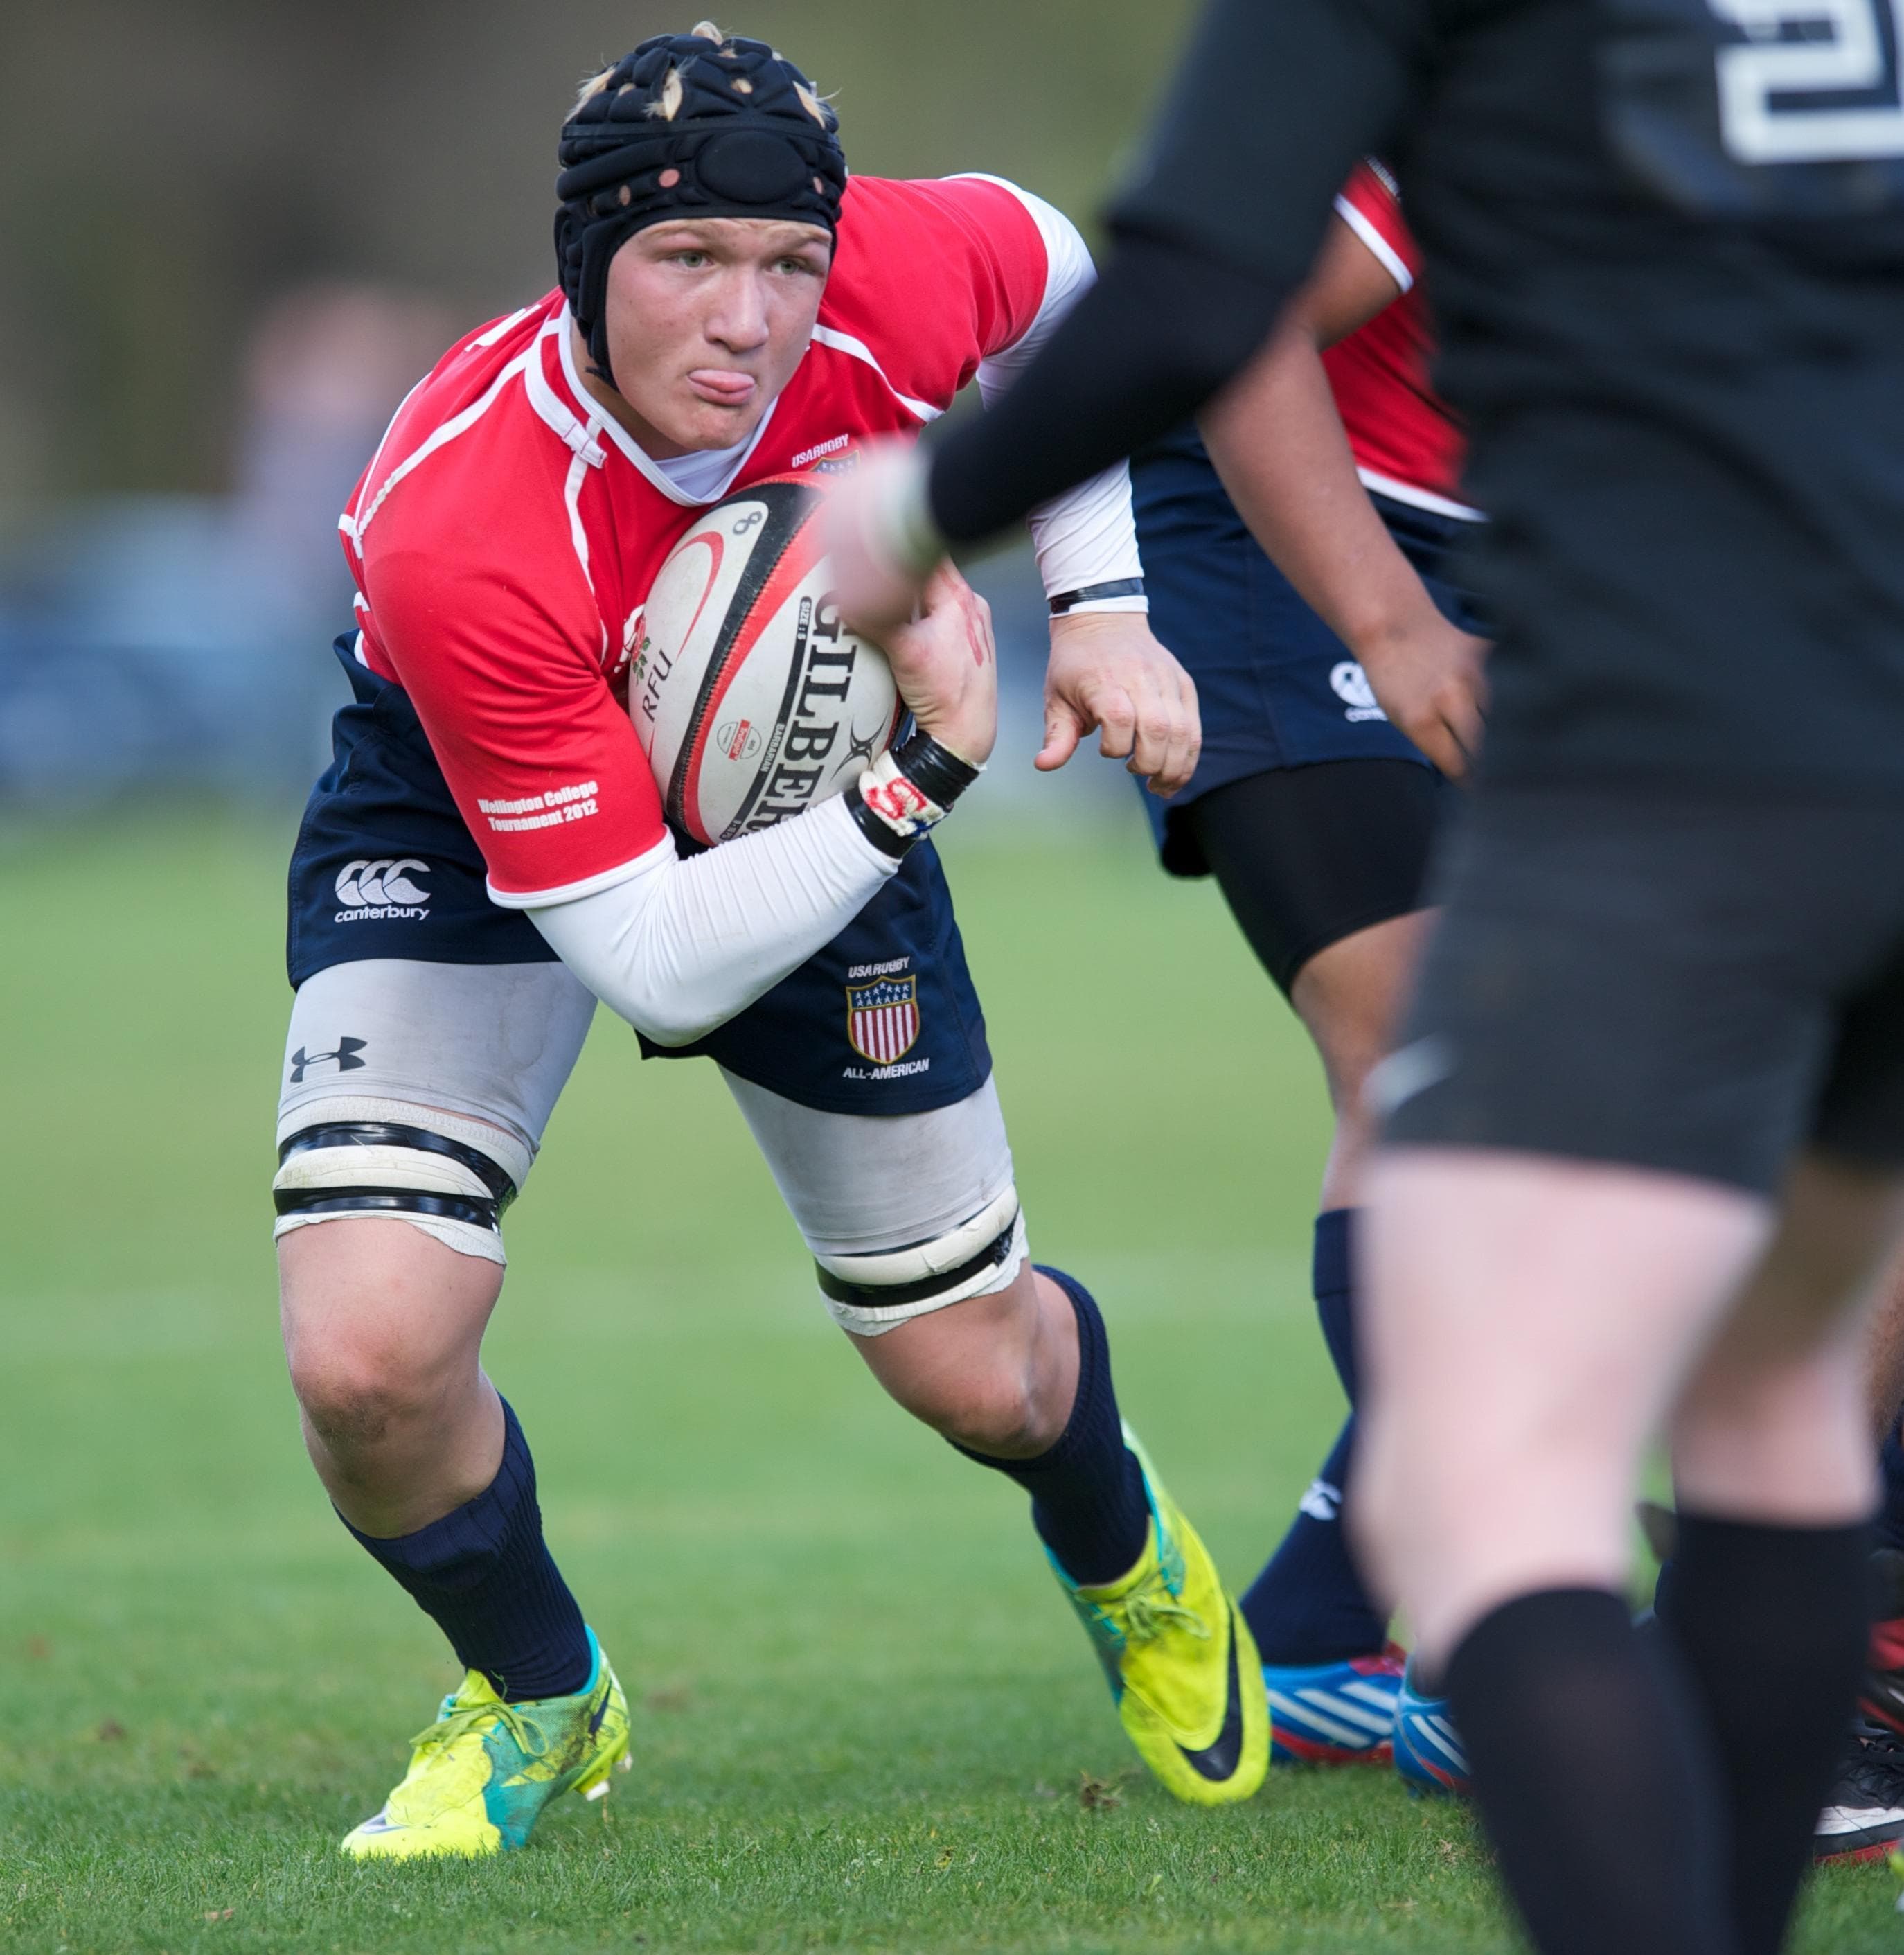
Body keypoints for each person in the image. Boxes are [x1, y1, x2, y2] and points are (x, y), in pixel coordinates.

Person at [826, 0, 1904, 1949]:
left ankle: (1364, 1615)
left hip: (1658, 700)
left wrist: (892, 515)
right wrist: (1387, 621)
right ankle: (1364, 1631)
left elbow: (1182, 294)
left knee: (1482, 1483)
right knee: (1767, 1372)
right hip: (1568, 604)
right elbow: (1240, 347)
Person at [275, 24, 1258, 1863]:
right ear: (587, 264)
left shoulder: (887, 271)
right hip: (480, 786)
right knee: (366, 1354)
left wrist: (1100, 604)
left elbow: (1064, 289)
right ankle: (536, 1683)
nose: (748, 315)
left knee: (985, 1372)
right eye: (686, 263)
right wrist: (927, 772)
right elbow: (651, 953)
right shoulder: (461, 522)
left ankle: (1112, 1531)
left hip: (805, 780)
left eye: (786, 265)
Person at [1123, 157, 1482, 1785]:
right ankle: (1478, 1629)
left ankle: (1331, 1628)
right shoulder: (1555, 60)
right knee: (1424, 1062)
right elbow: (1240, 329)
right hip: (1291, 518)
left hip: (1534, 548)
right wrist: (1395, 623)